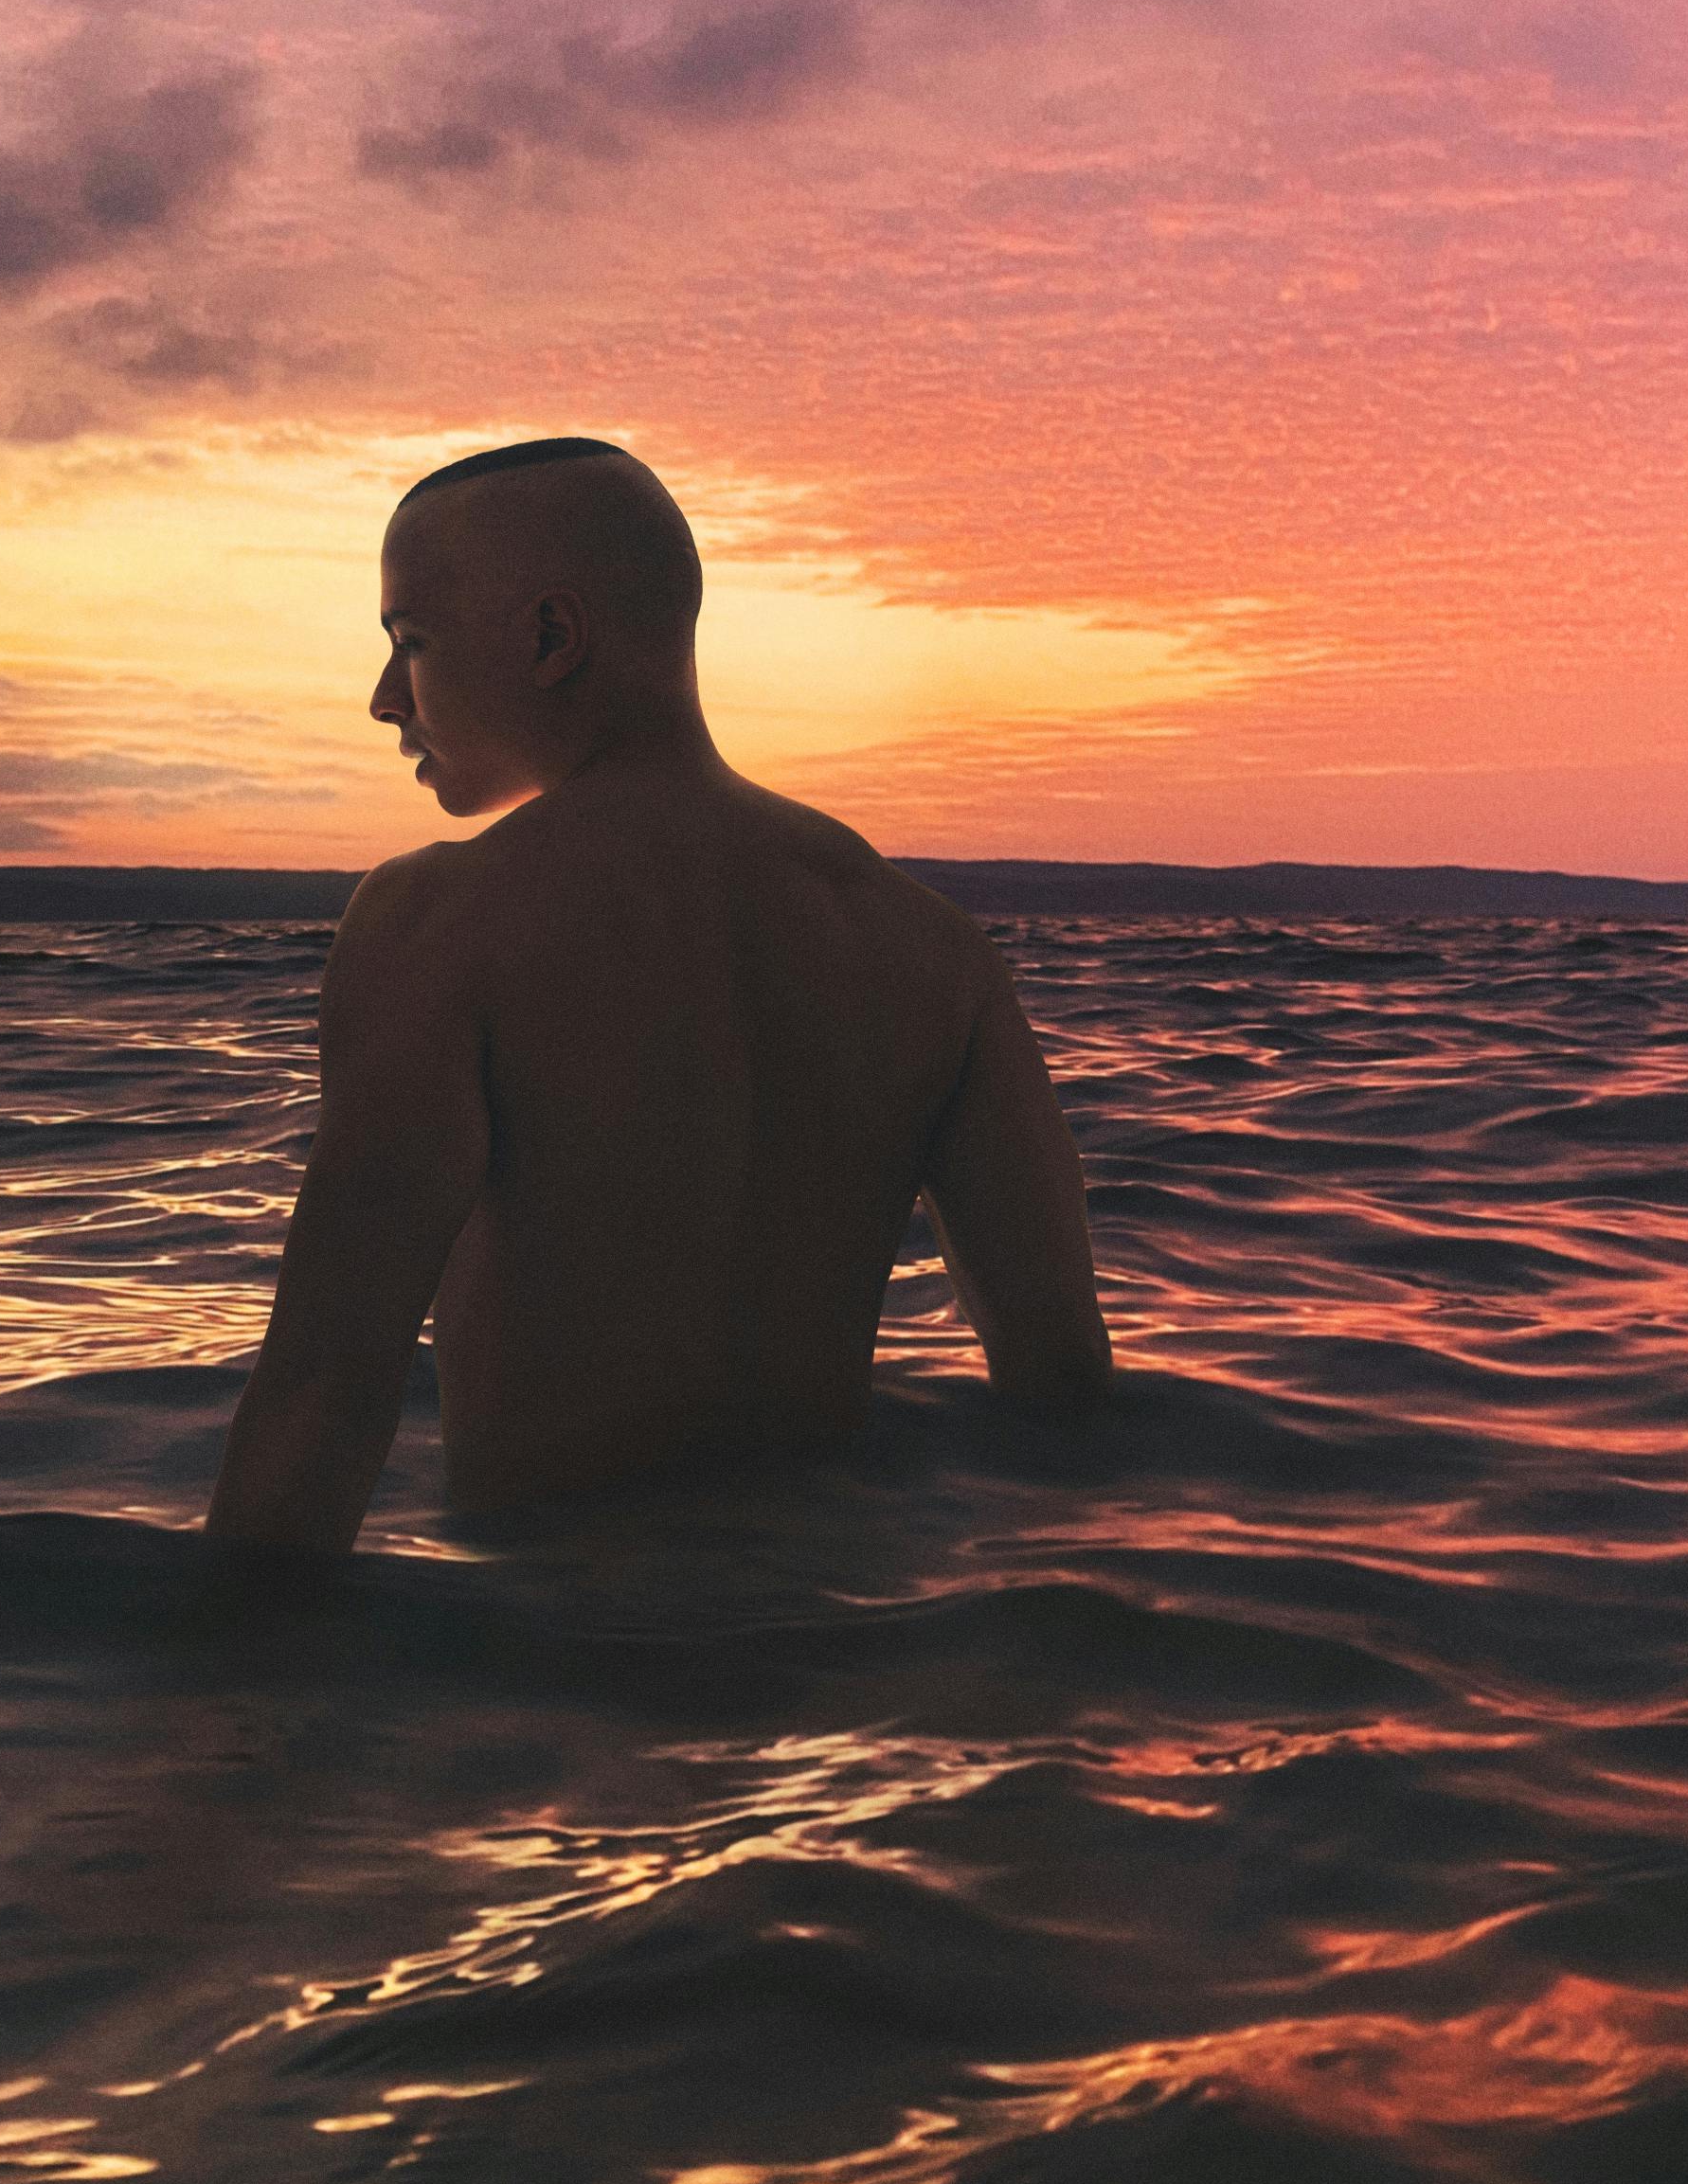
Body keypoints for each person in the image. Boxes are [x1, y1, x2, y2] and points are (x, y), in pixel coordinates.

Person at [203, 437, 1109, 1554]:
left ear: (550, 637)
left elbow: (325, 1398)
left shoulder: (442, 925)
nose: (385, 697)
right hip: (824, 1664)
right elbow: (1062, 1385)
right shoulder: (931, 948)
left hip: (546, 1672)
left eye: (411, 643)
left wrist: (227, 1708)